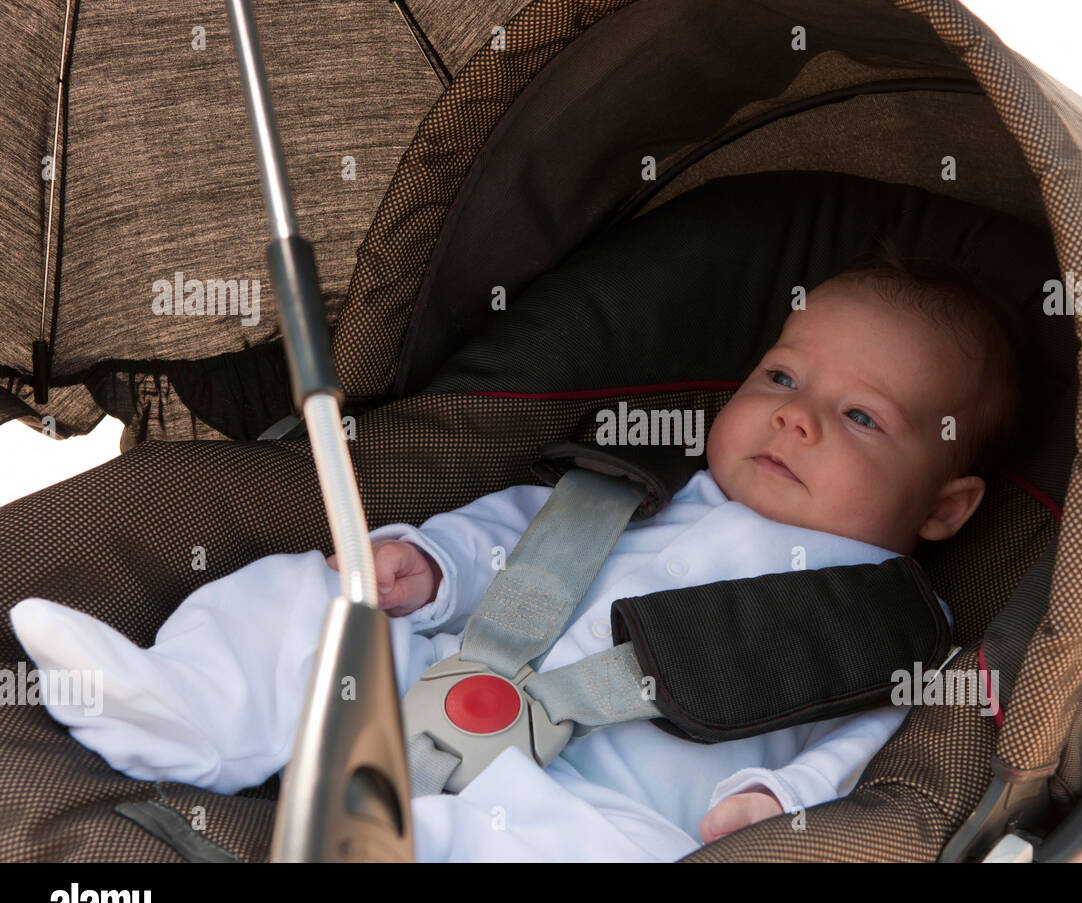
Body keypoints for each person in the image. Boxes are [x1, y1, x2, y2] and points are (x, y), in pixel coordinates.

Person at [11, 250, 1021, 861]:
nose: (792, 417)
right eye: (780, 373)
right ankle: (184, 708)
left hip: (604, 810)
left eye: (856, 414)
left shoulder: (886, 620)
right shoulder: (631, 491)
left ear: (945, 506)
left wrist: (778, 807)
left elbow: (867, 750)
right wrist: (429, 563)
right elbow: (509, 541)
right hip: (442, 689)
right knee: (316, 592)